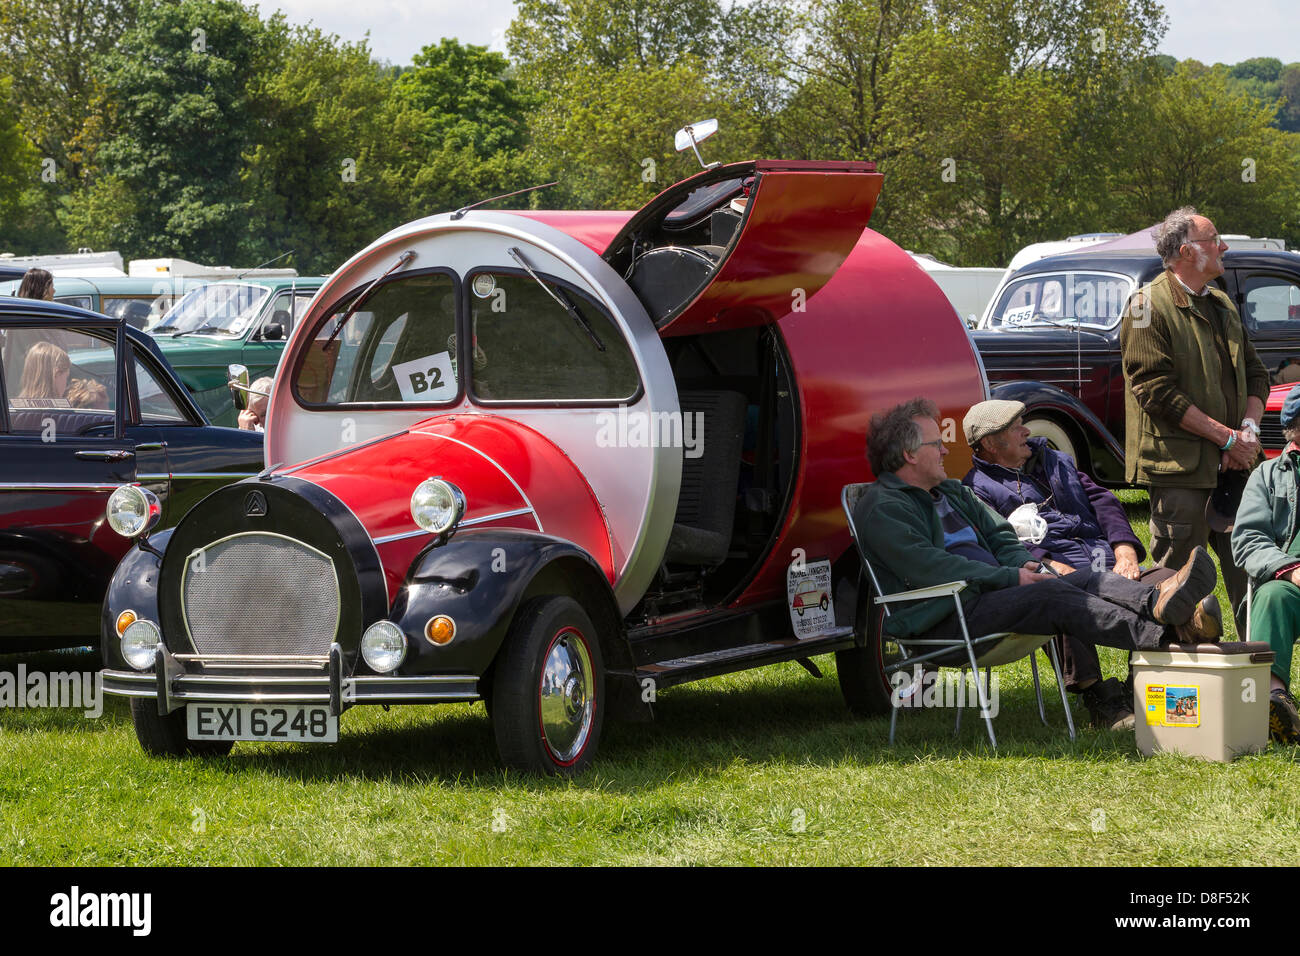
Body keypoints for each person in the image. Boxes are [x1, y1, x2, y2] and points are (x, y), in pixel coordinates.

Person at [851, 398, 1223, 716]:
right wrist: (1013, 578)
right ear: (909, 454)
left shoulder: (949, 492)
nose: (947, 450)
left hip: (989, 598)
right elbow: (932, 567)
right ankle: (1170, 632)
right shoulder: (884, 508)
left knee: (1079, 579)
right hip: (947, 618)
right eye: (937, 443)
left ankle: (1157, 602)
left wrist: (1021, 563)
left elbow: (1000, 534)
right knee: (1054, 593)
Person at [961, 400, 1219, 729]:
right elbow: (1002, 545)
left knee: (1167, 577)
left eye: (1023, 422)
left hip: (1108, 564)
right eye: (1016, 428)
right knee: (1062, 598)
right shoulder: (978, 491)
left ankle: (1140, 684)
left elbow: (1103, 499)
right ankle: (1101, 699)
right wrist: (1051, 566)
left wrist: (1125, 550)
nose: (1027, 430)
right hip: (1059, 573)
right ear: (989, 443)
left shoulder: (1055, 460)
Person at [1120, 206, 1270, 636]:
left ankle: (1258, 680)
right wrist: (1227, 440)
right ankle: (1165, 686)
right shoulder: (1145, 308)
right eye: (1214, 240)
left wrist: (1248, 434)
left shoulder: (1221, 302)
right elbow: (1154, 392)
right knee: (1174, 585)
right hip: (1182, 471)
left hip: (1238, 467)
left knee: (1251, 571)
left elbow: (1257, 375)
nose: (1224, 247)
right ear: (1186, 251)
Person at [1230, 384, 1300, 743]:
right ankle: (1274, 701)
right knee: (1273, 595)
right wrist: (1292, 570)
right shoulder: (1268, 476)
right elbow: (1247, 540)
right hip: (1291, 583)